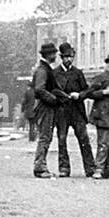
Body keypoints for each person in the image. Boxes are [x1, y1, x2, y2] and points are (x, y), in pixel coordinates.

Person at [54, 42, 96, 177]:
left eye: (71, 56)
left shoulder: (78, 73)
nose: (69, 59)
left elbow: (86, 90)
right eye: (66, 57)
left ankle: (90, 168)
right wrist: (61, 96)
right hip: (61, 111)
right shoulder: (54, 73)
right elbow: (52, 90)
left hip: (77, 110)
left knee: (84, 139)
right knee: (62, 140)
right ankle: (64, 168)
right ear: (61, 57)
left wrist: (80, 95)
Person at [31, 41, 65, 178]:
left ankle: (41, 166)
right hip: (45, 107)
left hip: (46, 107)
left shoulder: (45, 68)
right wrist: (54, 99)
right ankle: (40, 167)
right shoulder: (42, 70)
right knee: (45, 137)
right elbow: (39, 89)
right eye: (54, 53)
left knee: (46, 137)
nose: (56, 56)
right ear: (49, 54)